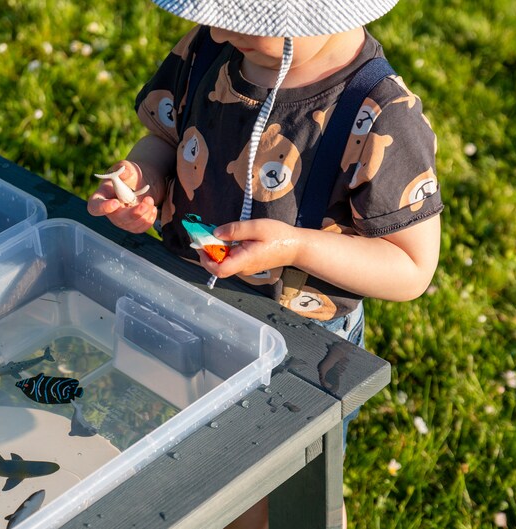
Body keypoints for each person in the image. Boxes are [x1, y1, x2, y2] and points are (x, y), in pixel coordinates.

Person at [88, 1, 442, 527]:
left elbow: (412, 266)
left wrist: (297, 247)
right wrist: (145, 178)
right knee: (212, 468)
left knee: (290, 490)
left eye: (247, 16)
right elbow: (166, 137)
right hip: (198, 310)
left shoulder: (380, 115)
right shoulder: (210, 50)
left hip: (304, 350)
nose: (217, 26)